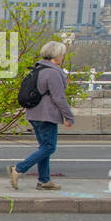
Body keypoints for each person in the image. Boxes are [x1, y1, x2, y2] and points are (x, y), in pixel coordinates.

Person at [9, 41, 75, 191]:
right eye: (63, 54)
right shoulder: (53, 72)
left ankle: (44, 180)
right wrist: (69, 117)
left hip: (33, 113)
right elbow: (59, 98)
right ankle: (19, 169)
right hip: (47, 115)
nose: (63, 57)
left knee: (44, 147)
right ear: (58, 56)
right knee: (49, 147)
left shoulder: (38, 69)